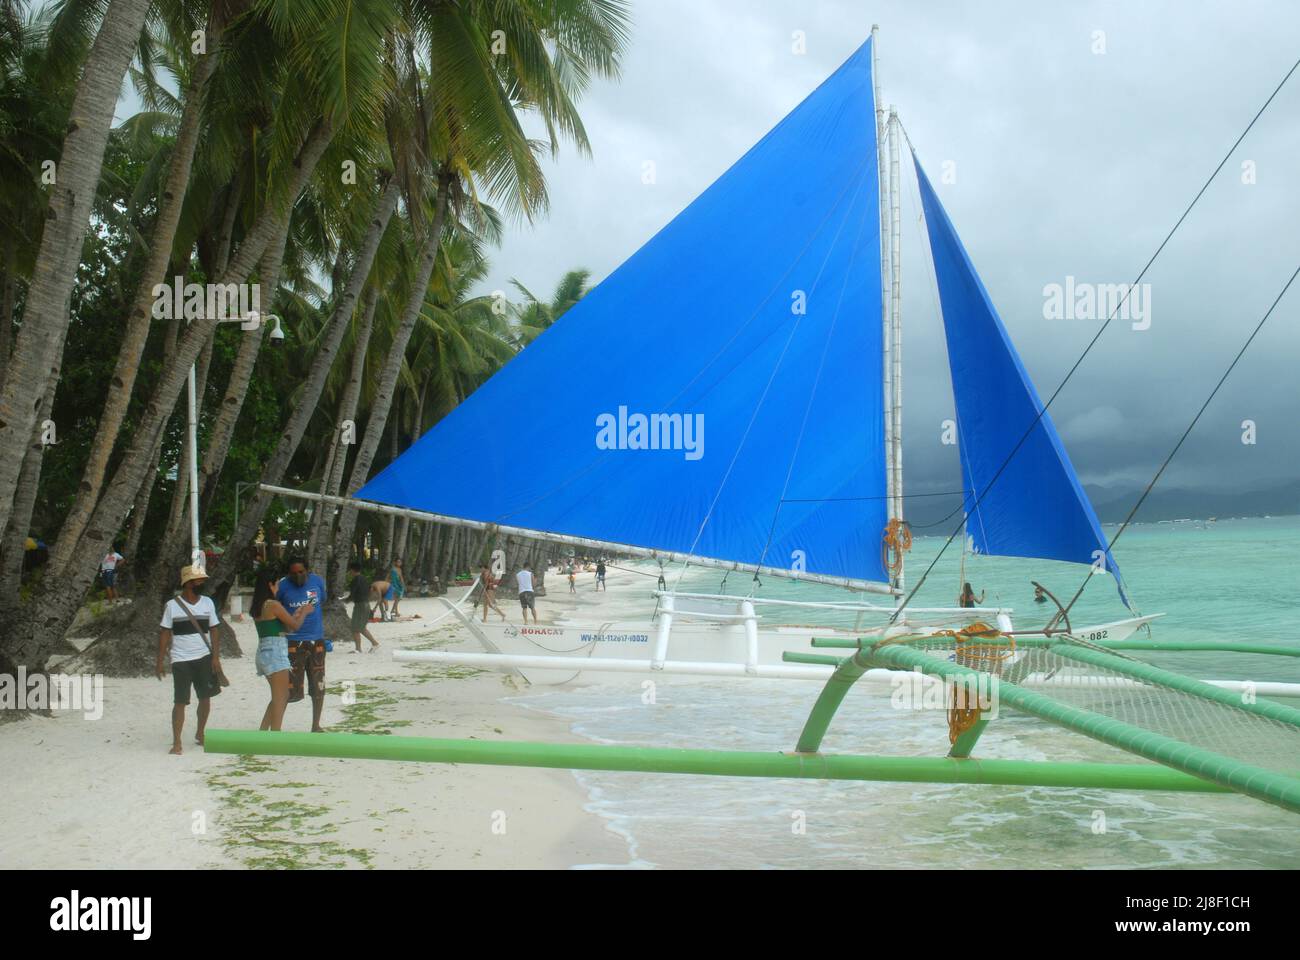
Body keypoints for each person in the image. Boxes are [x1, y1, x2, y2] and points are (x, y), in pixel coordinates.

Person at [157, 565, 223, 755]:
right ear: (188, 583)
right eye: (198, 580)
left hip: (204, 656)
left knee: (205, 697)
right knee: (180, 701)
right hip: (180, 659)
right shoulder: (172, 605)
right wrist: (160, 661)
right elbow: (165, 633)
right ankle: (177, 742)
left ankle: (200, 733)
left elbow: (215, 629)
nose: (202, 583)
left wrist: (216, 657)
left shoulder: (208, 603)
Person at [251, 568, 314, 731]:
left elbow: (283, 627)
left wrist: (298, 614)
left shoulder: (259, 606)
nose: (278, 588)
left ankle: (263, 732)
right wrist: (305, 612)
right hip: (275, 652)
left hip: (265, 650)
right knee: (281, 697)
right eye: (277, 584)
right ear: (270, 585)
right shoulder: (273, 604)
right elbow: (295, 627)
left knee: (279, 695)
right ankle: (275, 733)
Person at [275, 557, 330, 733]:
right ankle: (277, 726)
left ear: (307, 570)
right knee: (288, 686)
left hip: (316, 639)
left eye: (301, 572)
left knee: (318, 682)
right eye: (293, 573)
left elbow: (322, 600)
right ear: (288, 573)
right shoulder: (282, 586)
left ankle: (316, 724)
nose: (298, 576)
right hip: (292, 641)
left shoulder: (317, 582)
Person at [347, 562, 380, 652]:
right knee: (360, 627)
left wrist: (345, 600)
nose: (349, 572)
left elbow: (352, 594)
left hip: (360, 605)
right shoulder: (364, 579)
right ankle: (369, 645)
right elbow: (370, 590)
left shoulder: (356, 580)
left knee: (355, 628)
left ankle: (371, 644)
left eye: (350, 570)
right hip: (366, 604)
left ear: (352, 570)